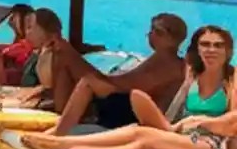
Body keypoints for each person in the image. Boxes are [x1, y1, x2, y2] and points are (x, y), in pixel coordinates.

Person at [23, 26, 236, 149]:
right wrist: (172, 125)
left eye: (218, 46)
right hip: (183, 135)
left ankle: (63, 147)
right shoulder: (193, 76)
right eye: (205, 45)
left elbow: (234, 122)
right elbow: (175, 109)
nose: (211, 50)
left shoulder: (232, 79)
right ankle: (63, 143)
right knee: (136, 133)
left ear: (228, 51)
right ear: (197, 49)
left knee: (144, 138)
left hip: (212, 144)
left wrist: (203, 122)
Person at [46, 13, 188, 135]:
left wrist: (91, 73)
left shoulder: (167, 63)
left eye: (156, 31)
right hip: (129, 104)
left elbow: (126, 86)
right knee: (65, 57)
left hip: (136, 114)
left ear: (169, 38)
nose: (150, 34)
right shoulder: (163, 59)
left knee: (86, 80)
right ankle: (59, 122)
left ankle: (58, 134)